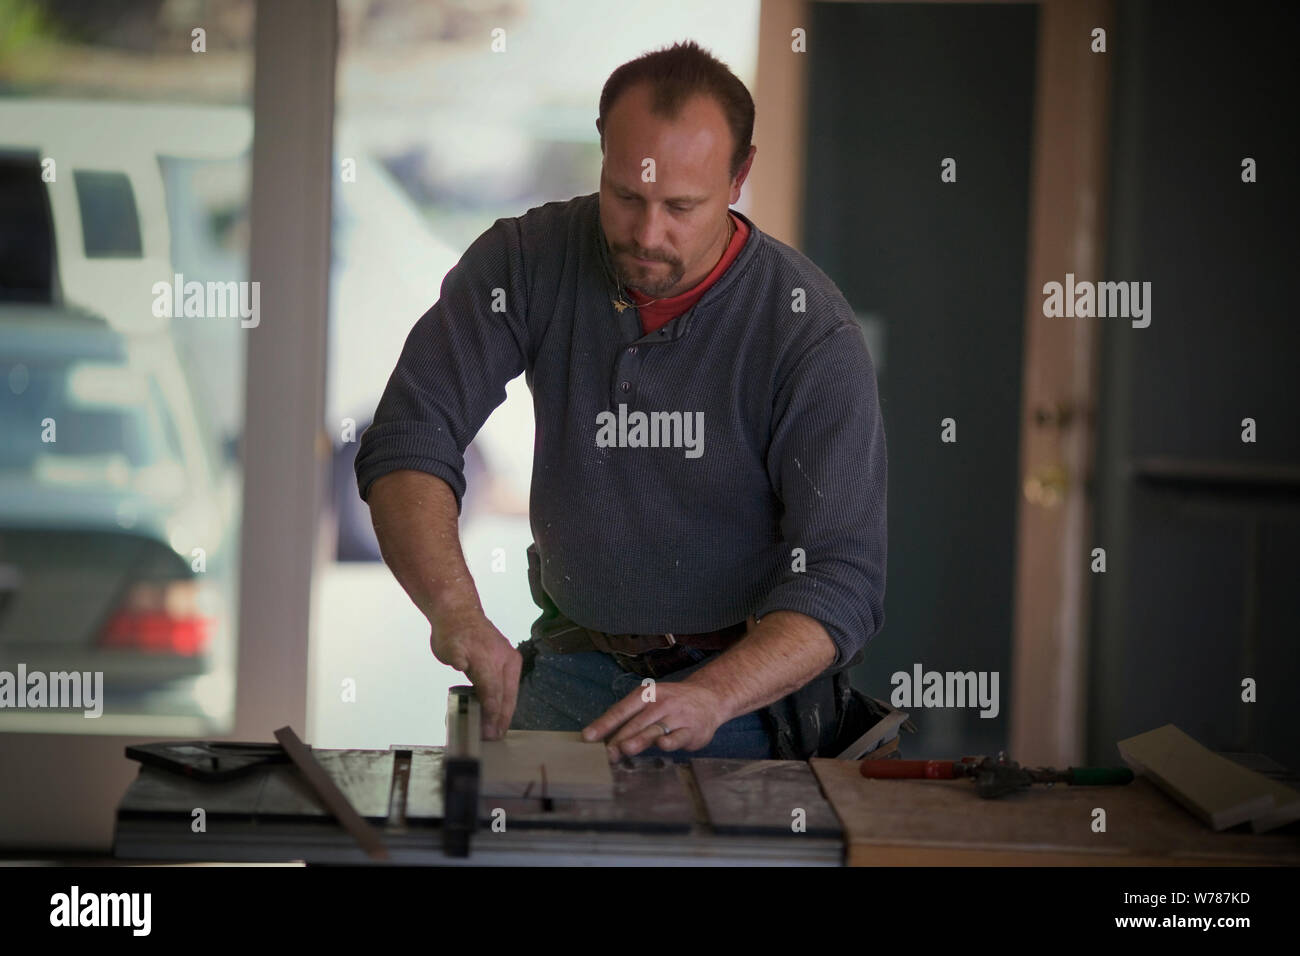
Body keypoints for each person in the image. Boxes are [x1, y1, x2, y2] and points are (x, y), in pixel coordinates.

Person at [355, 40, 888, 762]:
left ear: (739, 178)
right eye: (627, 197)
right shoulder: (527, 259)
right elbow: (411, 434)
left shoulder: (806, 329)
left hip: (736, 699)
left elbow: (841, 578)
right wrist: (456, 612)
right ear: (603, 155)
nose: (647, 234)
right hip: (566, 665)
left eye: (681, 207)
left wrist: (716, 695)